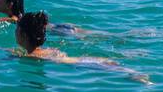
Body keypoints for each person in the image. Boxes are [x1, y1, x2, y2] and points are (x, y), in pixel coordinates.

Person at [13, 12, 148, 83]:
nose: (15, 32)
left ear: (23, 35)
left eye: (17, 29)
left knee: (124, 72)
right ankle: (136, 74)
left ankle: (138, 76)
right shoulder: (44, 51)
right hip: (85, 60)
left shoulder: (31, 56)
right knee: (121, 69)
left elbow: (10, 57)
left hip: (83, 65)